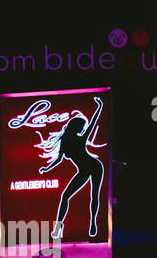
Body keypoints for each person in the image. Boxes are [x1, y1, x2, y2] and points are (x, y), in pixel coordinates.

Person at [37, 96, 106, 240]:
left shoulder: (80, 138)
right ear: (76, 127)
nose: (83, 129)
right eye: (81, 127)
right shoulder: (66, 140)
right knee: (65, 196)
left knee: (94, 195)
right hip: (84, 170)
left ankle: (93, 222)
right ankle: (58, 226)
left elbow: (93, 123)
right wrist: (47, 169)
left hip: (95, 166)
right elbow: (59, 159)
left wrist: (100, 106)